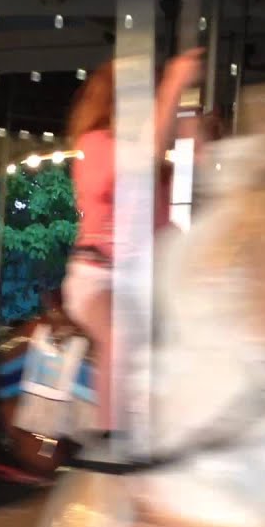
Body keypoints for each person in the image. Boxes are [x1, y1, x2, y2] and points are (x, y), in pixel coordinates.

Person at [61, 48, 204, 431]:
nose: (159, 109)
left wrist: (194, 132)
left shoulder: (157, 172)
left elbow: (176, 226)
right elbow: (138, 165)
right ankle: (112, 438)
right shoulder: (96, 146)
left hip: (143, 282)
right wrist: (175, 84)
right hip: (98, 278)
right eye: (153, 99)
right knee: (120, 331)